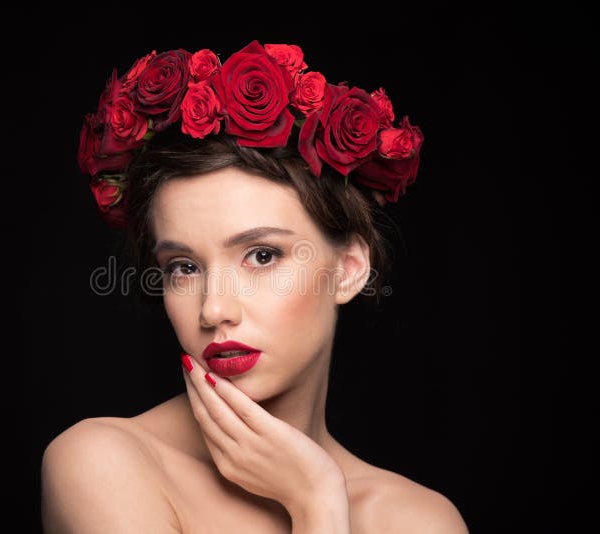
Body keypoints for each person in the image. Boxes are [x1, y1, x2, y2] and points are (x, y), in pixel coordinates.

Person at [41, 40, 469, 533]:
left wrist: (319, 495)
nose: (214, 309)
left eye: (262, 255)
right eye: (183, 267)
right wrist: (315, 506)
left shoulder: (421, 521)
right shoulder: (102, 465)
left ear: (349, 268)